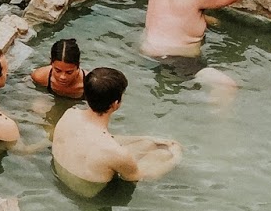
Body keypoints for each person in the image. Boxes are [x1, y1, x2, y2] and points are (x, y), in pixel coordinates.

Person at [52, 67, 181, 194]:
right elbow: (139, 177)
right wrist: (176, 155)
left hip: (64, 181)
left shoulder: (70, 114)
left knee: (148, 144)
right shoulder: (116, 153)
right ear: (115, 103)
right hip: (91, 195)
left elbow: (98, 142)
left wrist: (147, 138)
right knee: (164, 154)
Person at [31, 37, 85, 101]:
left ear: (78, 66)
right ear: (51, 63)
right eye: (58, 71)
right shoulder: (40, 76)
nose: (63, 77)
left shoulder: (89, 84)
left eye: (69, 72)